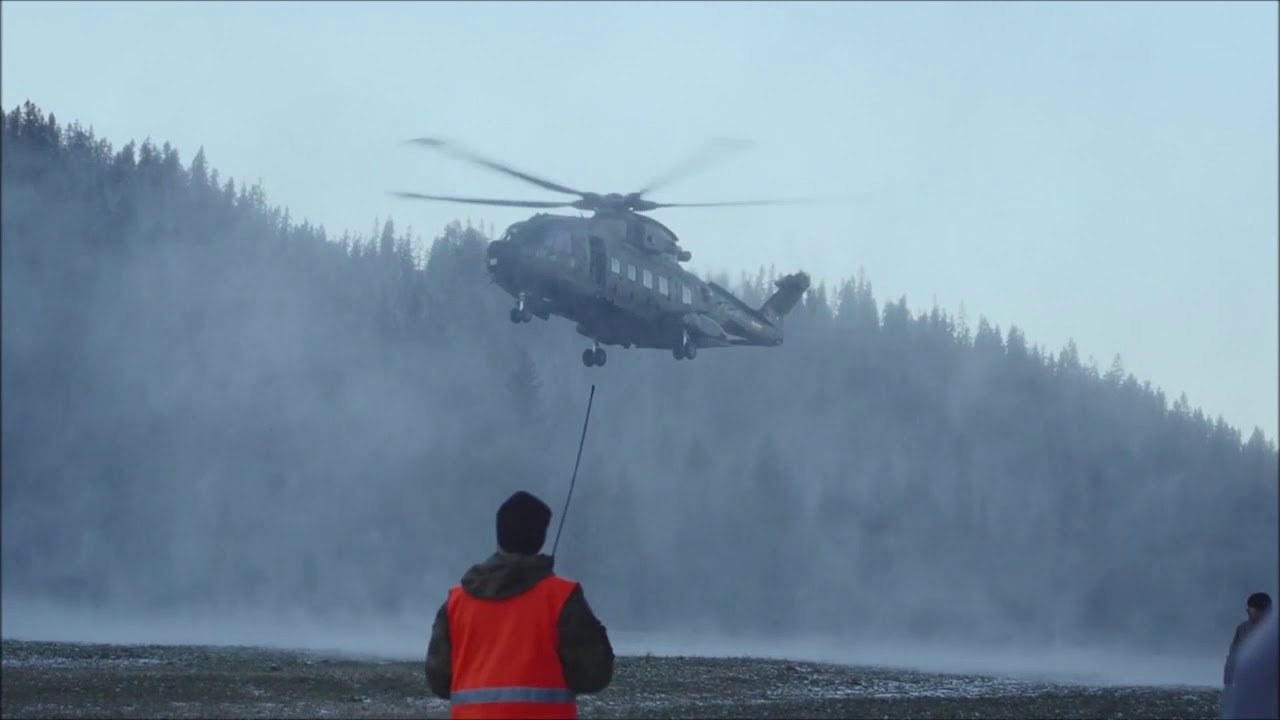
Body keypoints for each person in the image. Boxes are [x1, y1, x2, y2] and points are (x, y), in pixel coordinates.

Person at [425, 490, 614, 719]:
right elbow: (593, 675)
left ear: (499, 534)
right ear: (541, 537)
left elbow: (438, 679)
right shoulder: (561, 598)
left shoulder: (457, 602)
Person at [1222, 591, 1272, 717]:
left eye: (1251, 608)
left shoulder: (1274, 631)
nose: (1248, 611)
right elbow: (1233, 655)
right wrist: (1228, 682)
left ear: (1263, 610)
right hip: (1246, 685)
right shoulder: (1243, 629)